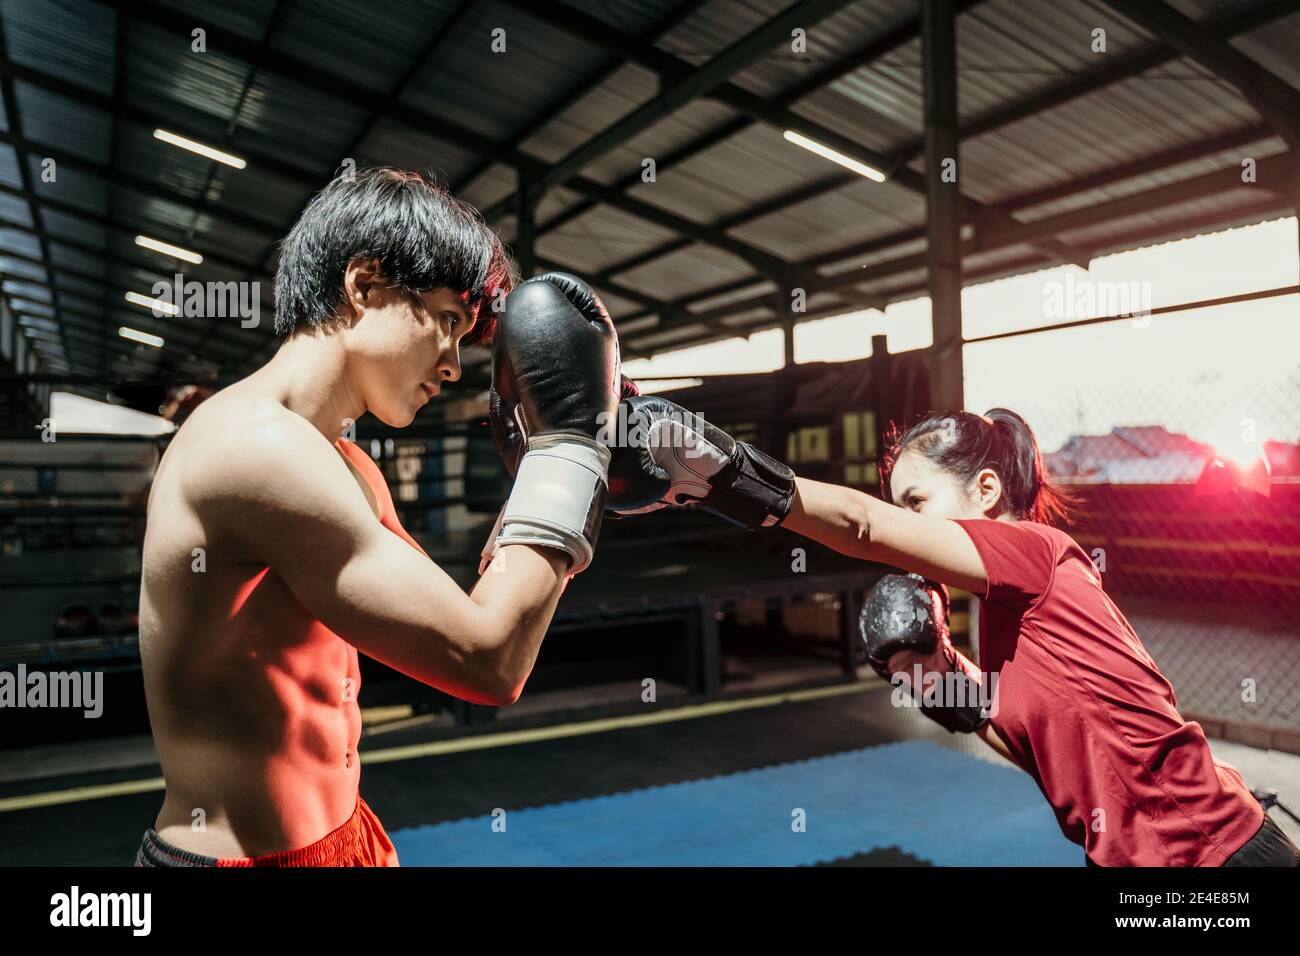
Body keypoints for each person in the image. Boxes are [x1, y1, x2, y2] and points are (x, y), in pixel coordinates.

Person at [135, 167, 620, 866]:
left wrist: (570, 470)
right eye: (449, 322)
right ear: (364, 286)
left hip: (347, 832)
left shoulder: (347, 464)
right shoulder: (251, 446)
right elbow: (486, 661)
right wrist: (571, 452)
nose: (454, 365)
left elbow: (470, 615)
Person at [609, 396, 1300, 866]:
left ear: (988, 492)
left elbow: (863, 527)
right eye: (901, 507)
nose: (906, 522)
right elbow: (1043, 754)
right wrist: (939, 680)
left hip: (1214, 855)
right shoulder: (1005, 615)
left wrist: (722, 472)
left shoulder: (1035, 552)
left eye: (917, 502)